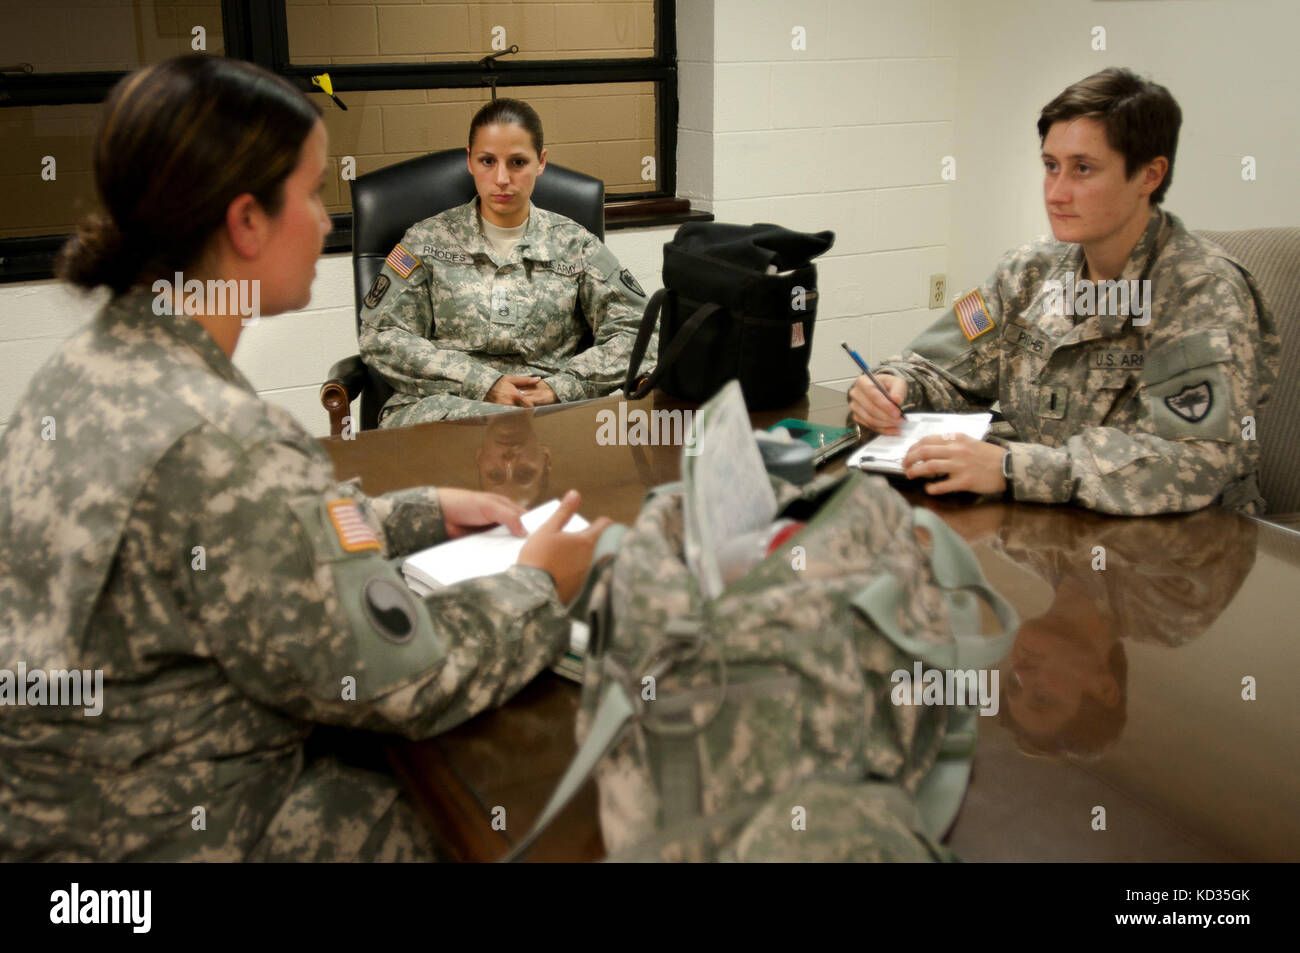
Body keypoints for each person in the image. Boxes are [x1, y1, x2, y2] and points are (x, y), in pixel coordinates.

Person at [0, 56, 610, 862]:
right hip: (158, 832)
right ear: (247, 222)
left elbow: (244, 544)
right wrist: (539, 583)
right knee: (504, 803)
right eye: (312, 194)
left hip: (65, 802)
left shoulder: (91, 366)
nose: (327, 225)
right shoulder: (227, 439)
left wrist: (410, 510)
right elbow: (404, 679)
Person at [849, 68, 1280, 516]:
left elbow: (1196, 461)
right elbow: (944, 369)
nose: (1056, 193)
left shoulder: (1201, 290)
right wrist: (895, 387)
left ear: (1149, 176)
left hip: (1181, 547)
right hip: (1051, 527)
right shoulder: (1029, 270)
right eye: (1051, 166)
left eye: (1083, 169)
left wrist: (1016, 467)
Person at [359, 97, 652, 427]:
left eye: (517, 162)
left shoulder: (574, 245)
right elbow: (381, 336)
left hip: (544, 414)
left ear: (540, 163)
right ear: (469, 161)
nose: (501, 178)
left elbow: (641, 332)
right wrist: (482, 384)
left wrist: (564, 386)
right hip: (444, 411)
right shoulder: (426, 242)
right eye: (487, 161)